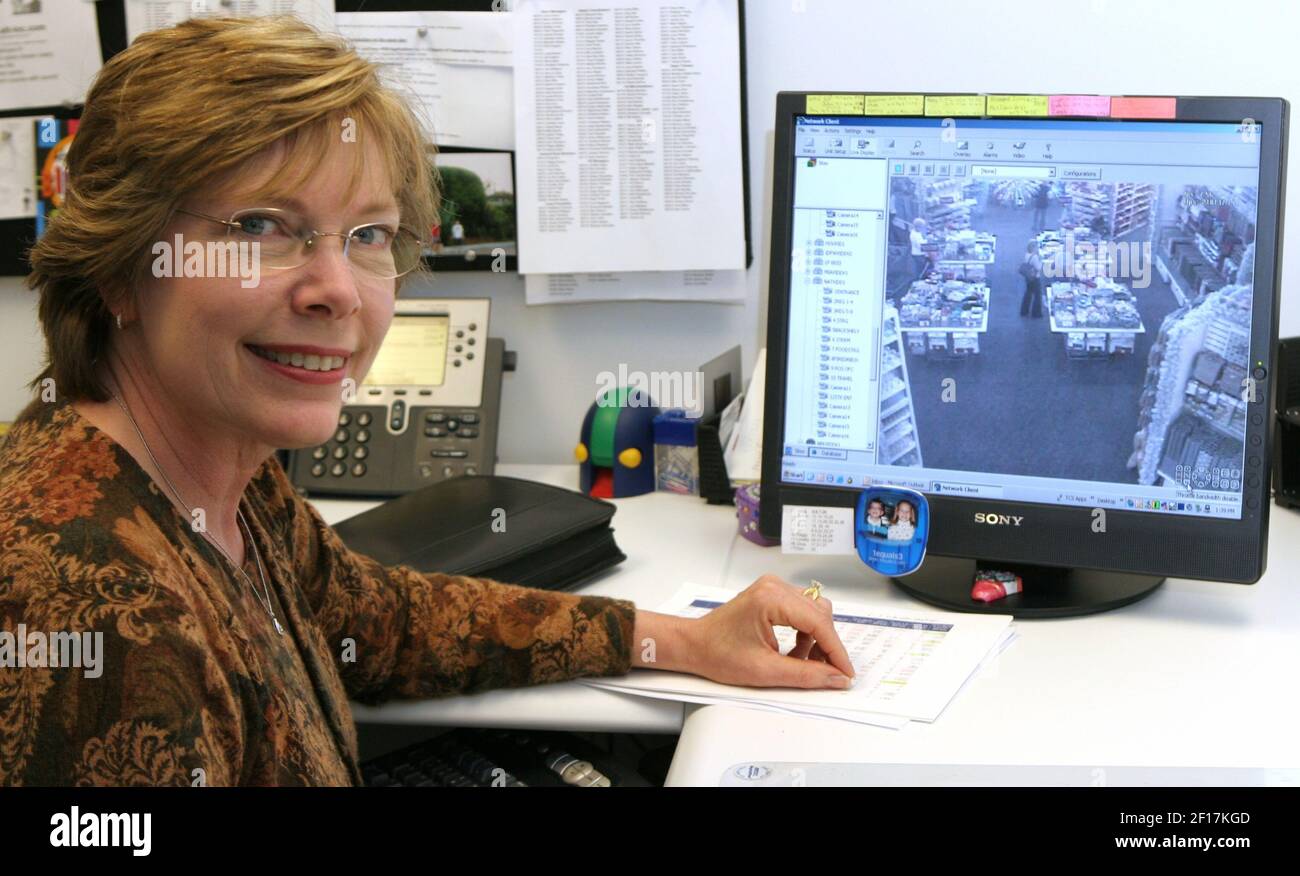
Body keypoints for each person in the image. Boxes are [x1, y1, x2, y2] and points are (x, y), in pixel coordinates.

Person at [0, 16, 854, 787]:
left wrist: (683, 639)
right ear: (119, 265)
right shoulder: (91, 608)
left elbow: (384, 623)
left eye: (367, 235)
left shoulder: (222, 474)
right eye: (259, 226)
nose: (337, 288)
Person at [1020, 240, 1044, 318]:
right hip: (1035, 278)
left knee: (1028, 293)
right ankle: (1036, 313)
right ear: (1033, 247)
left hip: (1028, 277)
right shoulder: (1035, 257)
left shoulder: (1027, 255)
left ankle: (1024, 310)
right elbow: (1038, 267)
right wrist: (1041, 261)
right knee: (1037, 296)